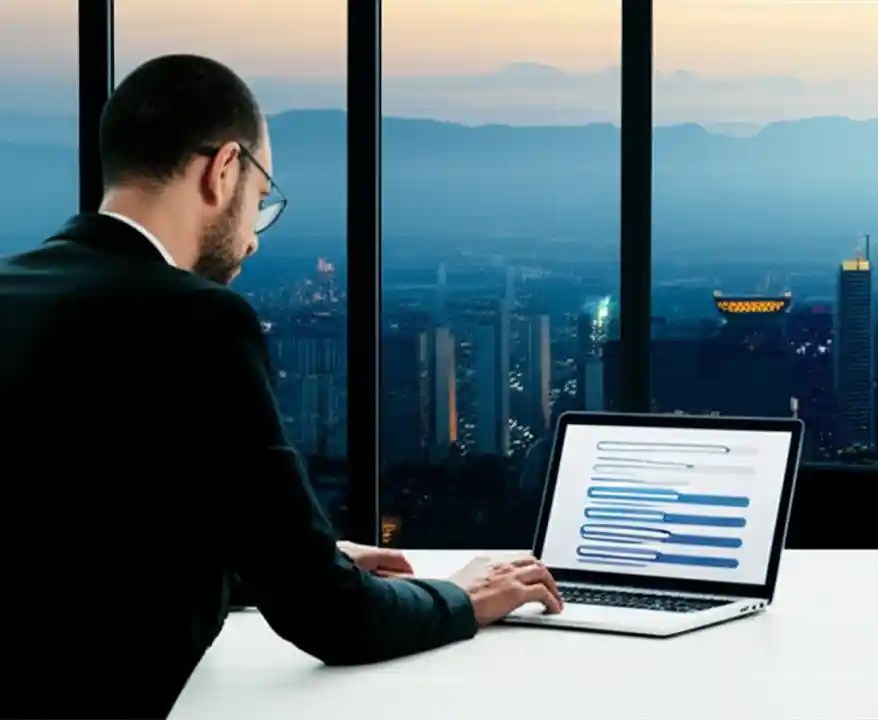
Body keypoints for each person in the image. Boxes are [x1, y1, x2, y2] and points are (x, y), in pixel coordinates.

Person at [0, 54, 562, 719]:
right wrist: (463, 597)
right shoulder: (198, 319)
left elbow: (78, 544)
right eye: (260, 202)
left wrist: (280, 558)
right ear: (224, 169)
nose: (253, 240)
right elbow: (330, 619)